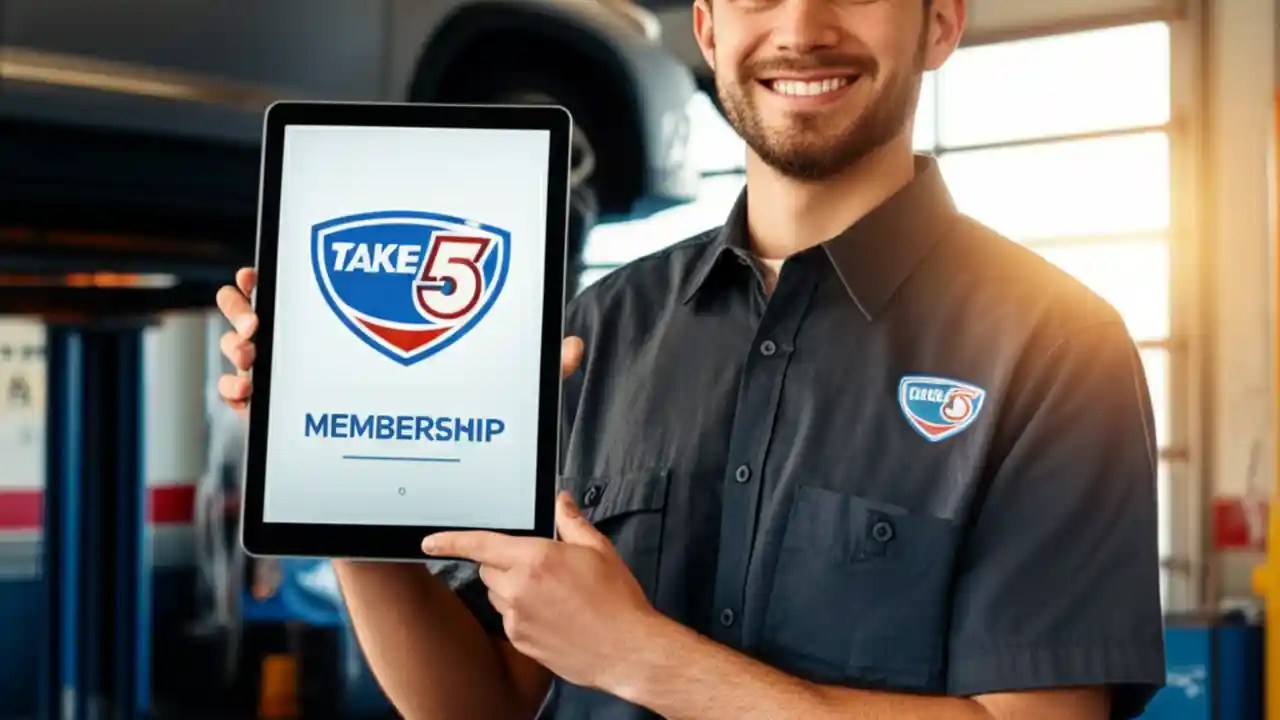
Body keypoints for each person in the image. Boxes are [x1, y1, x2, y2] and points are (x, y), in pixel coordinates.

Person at [216, 0, 1167, 717]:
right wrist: (324, 475)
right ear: (708, 30)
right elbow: (479, 704)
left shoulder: (1055, 349)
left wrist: (639, 655)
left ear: (941, 22)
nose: (802, 29)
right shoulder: (601, 328)